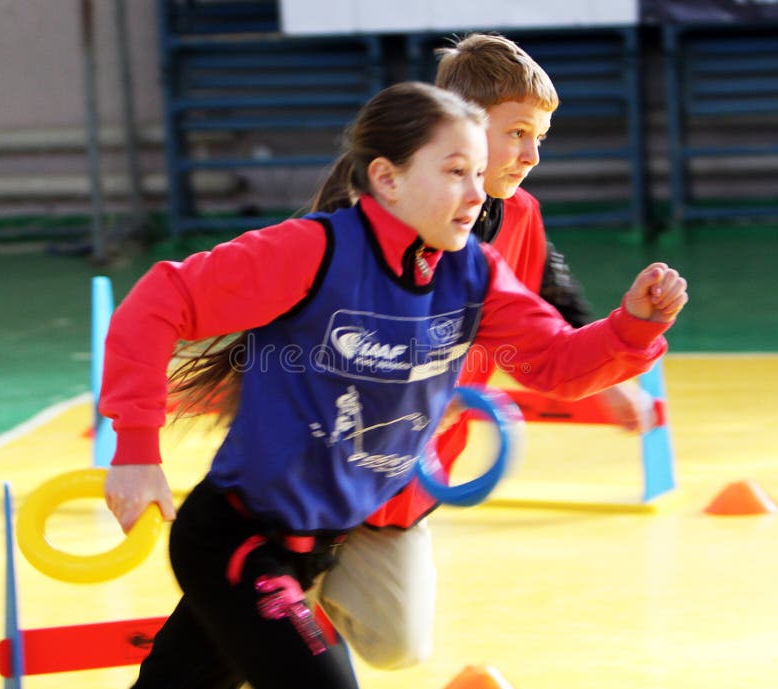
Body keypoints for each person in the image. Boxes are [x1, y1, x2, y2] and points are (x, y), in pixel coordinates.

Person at [102, 81, 687, 689]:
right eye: (455, 171)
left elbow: (557, 364)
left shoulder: (474, 272)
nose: (474, 193)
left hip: (313, 550)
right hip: (237, 540)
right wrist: (137, 448)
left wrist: (634, 326)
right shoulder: (314, 252)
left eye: (478, 172)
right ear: (387, 179)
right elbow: (158, 301)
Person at [314, 34, 659, 671]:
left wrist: (607, 369)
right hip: (323, 456)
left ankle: (288, 617)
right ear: (463, 122)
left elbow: (548, 296)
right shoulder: (384, 206)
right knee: (259, 620)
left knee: (396, 644)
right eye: (518, 132)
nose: (531, 155)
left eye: (541, 139)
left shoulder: (519, 215)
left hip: (411, 472)